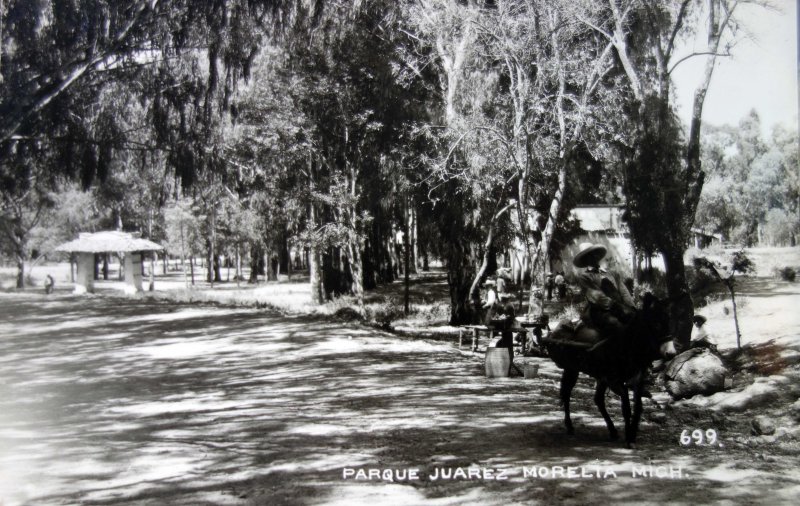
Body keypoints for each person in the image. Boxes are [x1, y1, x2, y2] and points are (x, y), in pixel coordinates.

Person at [573, 242, 636, 345]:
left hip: (620, 307)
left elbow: (623, 291)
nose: (594, 257)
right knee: (616, 325)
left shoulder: (611, 273)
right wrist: (617, 307)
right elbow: (596, 296)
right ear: (585, 260)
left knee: (636, 320)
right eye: (589, 255)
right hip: (600, 311)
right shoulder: (584, 277)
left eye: (595, 253)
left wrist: (631, 307)